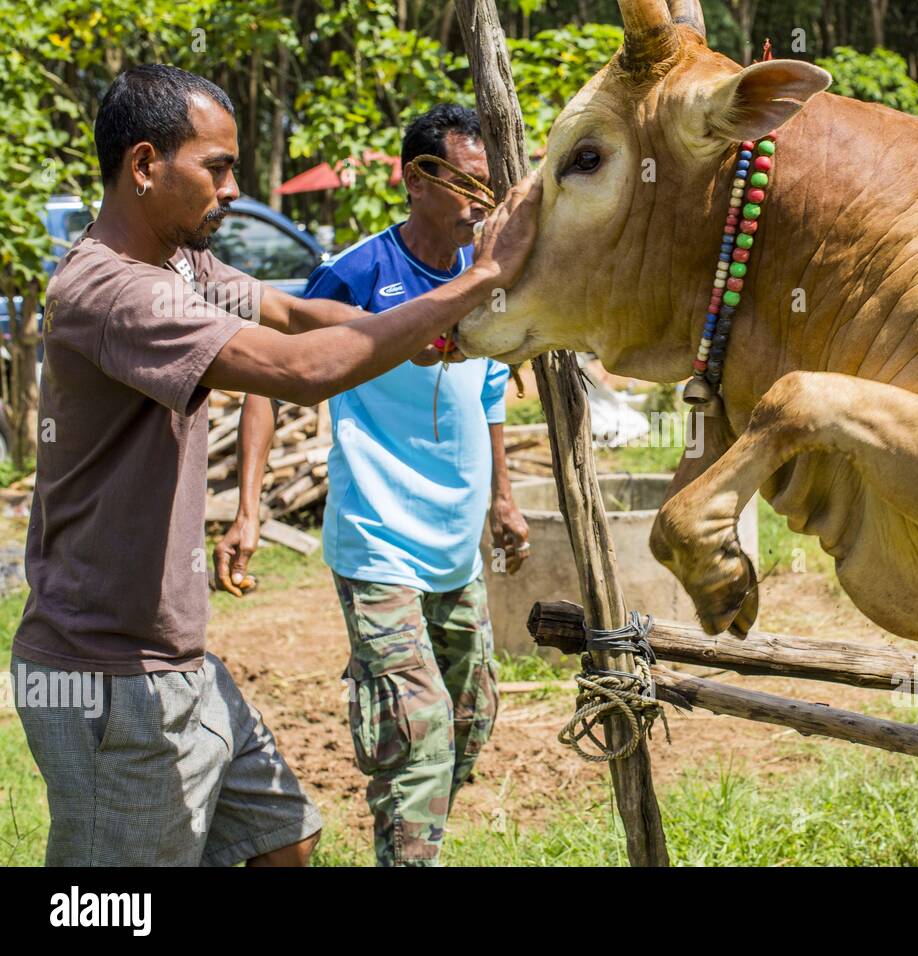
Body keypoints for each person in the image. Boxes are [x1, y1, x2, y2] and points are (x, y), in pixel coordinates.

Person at [9, 64, 539, 867]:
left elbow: (295, 313)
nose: (233, 189)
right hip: (106, 678)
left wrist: (429, 332)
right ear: (145, 166)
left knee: (283, 843)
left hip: (174, 660)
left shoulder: (181, 265)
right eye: (216, 168)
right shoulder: (118, 294)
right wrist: (478, 282)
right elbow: (298, 370)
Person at [219, 105, 530, 867]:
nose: (480, 202)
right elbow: (269, 373)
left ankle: (411, 837)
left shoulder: (482, 274)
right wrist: (248, 509)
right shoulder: (359, 272)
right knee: (414, 728)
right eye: (465, 183)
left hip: (455, 544)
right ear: (416, 179)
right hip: (377, 540)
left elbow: (488, 392)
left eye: (489, 186)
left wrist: (503, 497)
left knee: (470, 720)